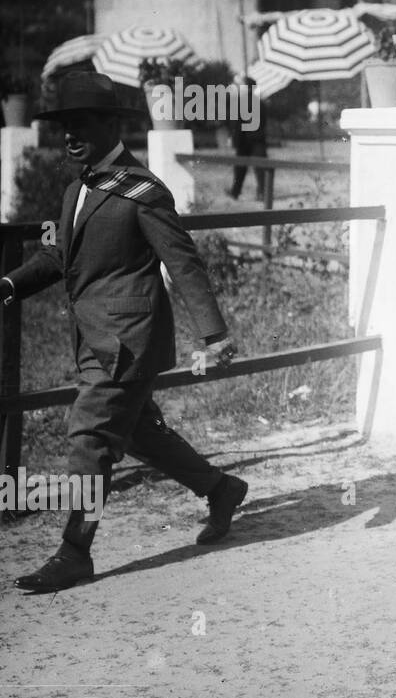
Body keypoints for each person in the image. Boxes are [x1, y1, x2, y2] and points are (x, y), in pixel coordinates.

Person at [1, 73, 245, 593]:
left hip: (125, 339)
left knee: (89, 436)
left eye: (82, 124)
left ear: (112, 125)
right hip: (93, 338)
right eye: (65, 125)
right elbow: (58, 256)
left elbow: (183, 262)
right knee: (137, 434)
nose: (70, 135)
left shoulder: (142, 190)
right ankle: (221, 489)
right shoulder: (76, 189)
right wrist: (8, 285)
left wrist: (213, 334)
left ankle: (74, 552)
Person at [227, 74, 269, 200]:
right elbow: (263, 123)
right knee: (260, 169)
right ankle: (263, 193)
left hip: (244, 141)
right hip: (258, 140)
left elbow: (236, 125)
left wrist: (234, 141)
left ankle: (235, 192)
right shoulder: (260, 103)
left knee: (240, 169)